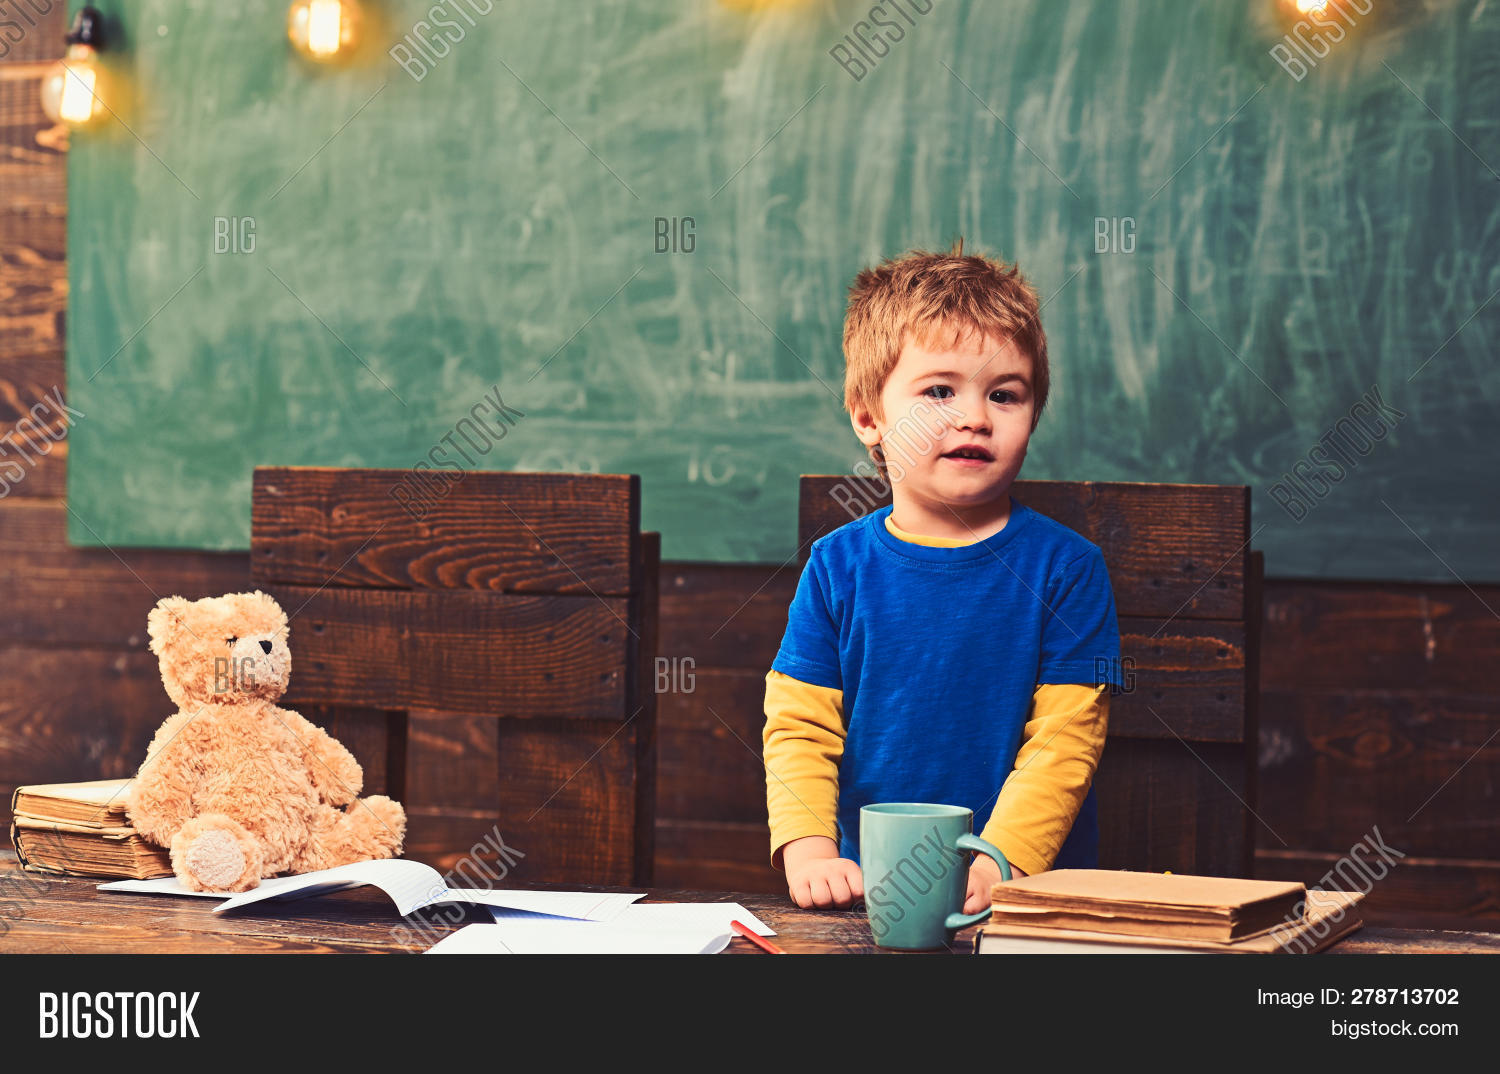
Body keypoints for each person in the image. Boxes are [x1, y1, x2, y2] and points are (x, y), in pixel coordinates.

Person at [764, 241, 1123, 913]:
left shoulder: (1068, 570)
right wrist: (811, 849)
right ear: (870, 417)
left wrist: (997, 866)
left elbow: (1065, 743)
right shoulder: (835, 568)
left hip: (1023, 904)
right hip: (872, 899)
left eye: (1005, 395)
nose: (975, 417)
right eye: (938, 391)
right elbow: (800, 726)